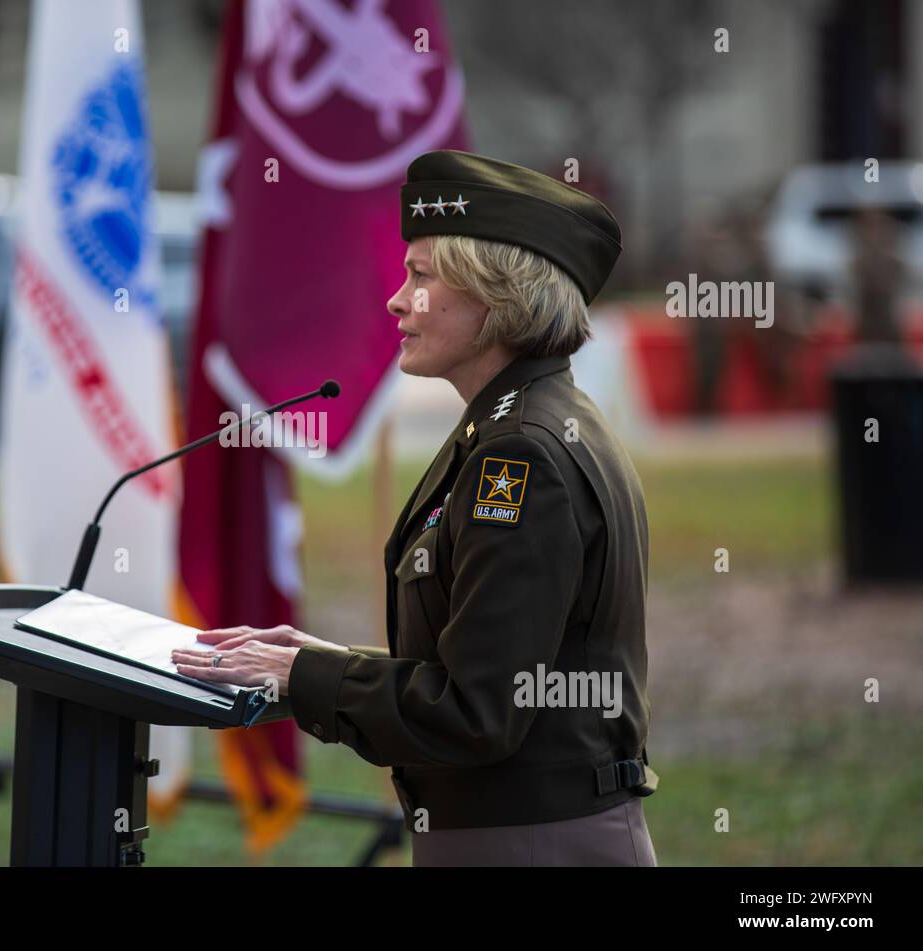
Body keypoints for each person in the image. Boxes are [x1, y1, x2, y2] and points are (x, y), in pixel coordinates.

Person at [173, 150, 657, 866]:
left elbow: (478, 710)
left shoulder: (518, 453)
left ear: (498, 296)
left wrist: (303, 680)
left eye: (422, 277)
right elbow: (474, 667)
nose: (397, 299)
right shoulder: (521, 424)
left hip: (529, 846)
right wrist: (317, 659)